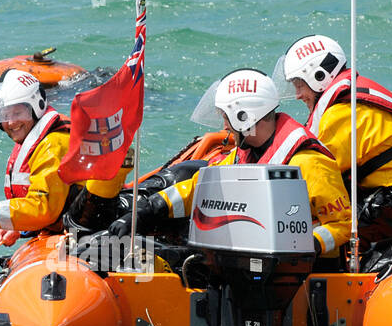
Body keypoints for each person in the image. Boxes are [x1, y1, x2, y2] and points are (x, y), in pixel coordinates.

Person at [114, 69, 351, 262]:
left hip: (298, 269)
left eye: (225, 117)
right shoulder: (244, 154)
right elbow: (200, 188)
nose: (224, 126)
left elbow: (342, 224)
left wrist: (307, 247)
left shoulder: (308, 163)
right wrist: (147, 209)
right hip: (253, 258)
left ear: (244, 118)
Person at [276, 35, 392, 252]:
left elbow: (316, 174)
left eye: (299, 85)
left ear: (319, 76)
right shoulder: (348, 103)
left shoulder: (341, 114)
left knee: (314, 227)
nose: (298, 95)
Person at [0, 69, 126, 245]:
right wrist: (20, 227)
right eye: (3, 115)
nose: (11, 123)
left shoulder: (53, 144)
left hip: (92, 226)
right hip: (67, 221)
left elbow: (43, 208)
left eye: (18, 113)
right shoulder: (35, 138)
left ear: (37, 106)